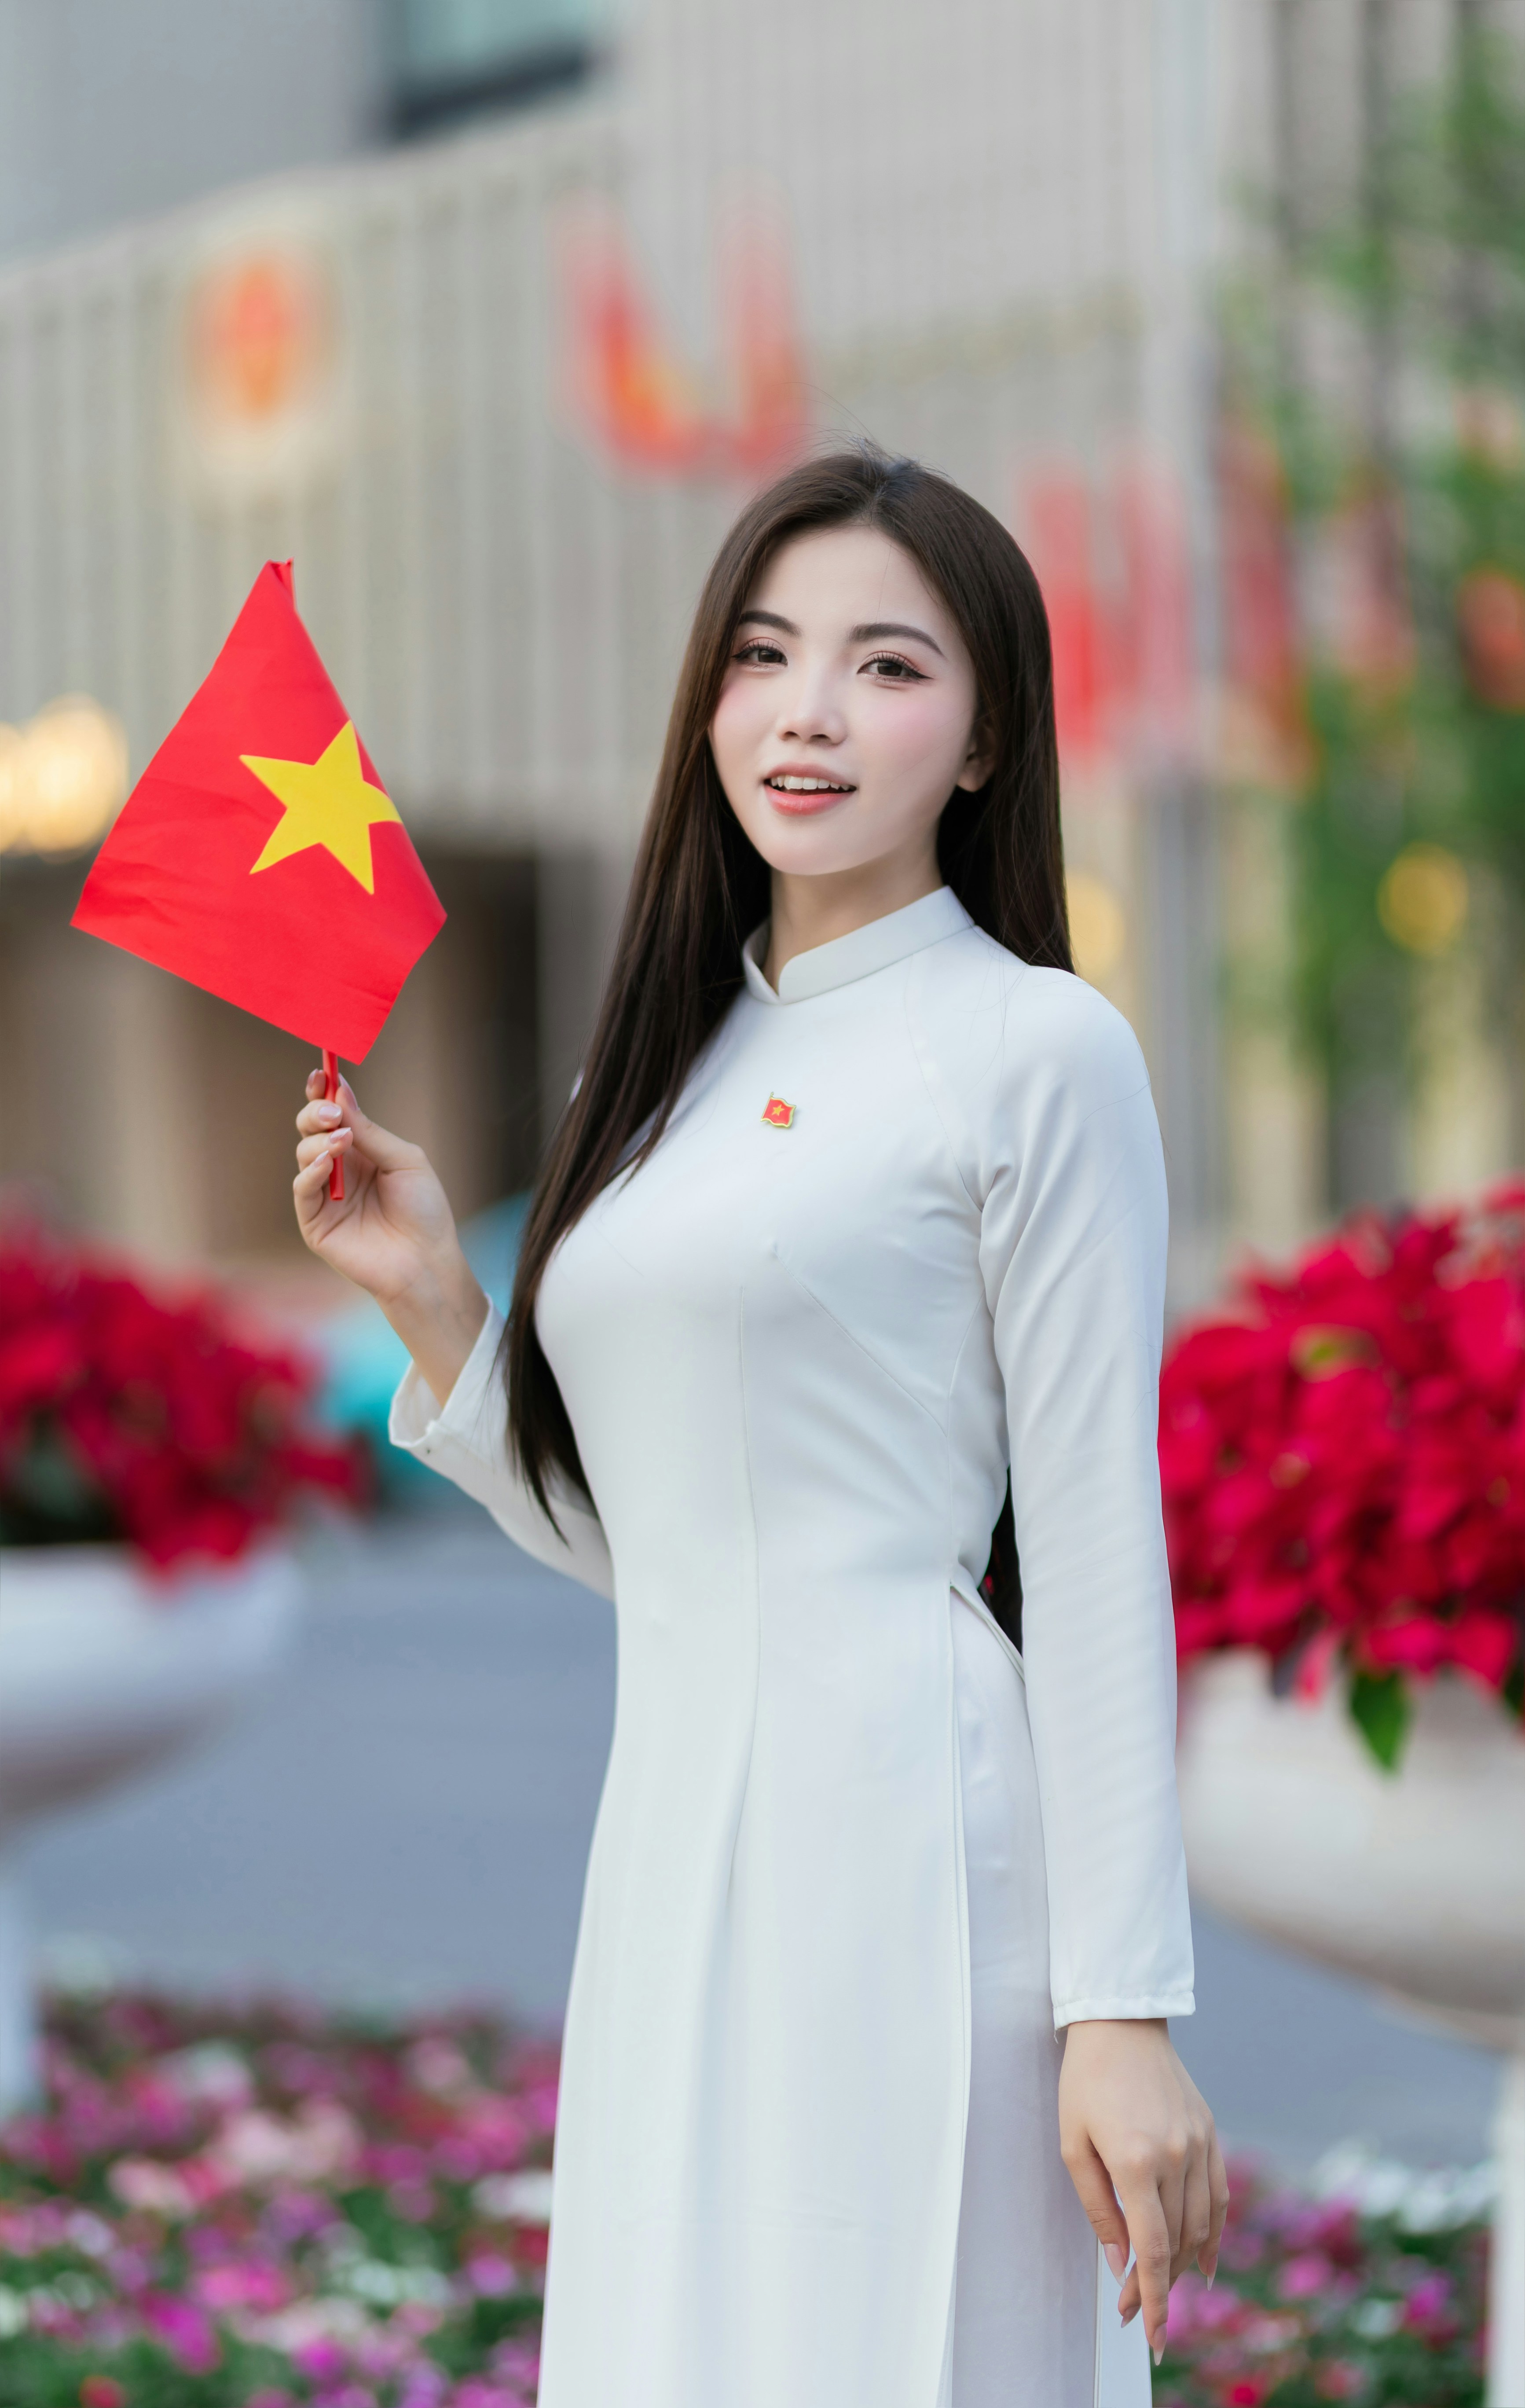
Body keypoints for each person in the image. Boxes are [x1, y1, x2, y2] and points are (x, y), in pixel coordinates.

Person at [293, 446, 1227, 2408]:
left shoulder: (1036, 1051)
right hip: (672, 1845)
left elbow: (1092, 1541)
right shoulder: (660, 1072)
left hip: (919, 1842)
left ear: (985, 740)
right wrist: (436, 1299)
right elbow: (667, 1545)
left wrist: (1123, 2008)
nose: (808, 712)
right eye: (763, 655)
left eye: (887, 666)